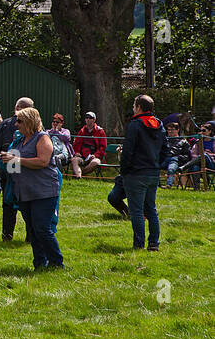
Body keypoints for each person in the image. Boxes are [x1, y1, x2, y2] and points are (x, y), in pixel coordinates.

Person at [0, 107, 64, 269]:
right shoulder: (19, 141)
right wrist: (5, 159)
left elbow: (42, 161)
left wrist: (17, 159)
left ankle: (56, 262)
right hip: (25, 193)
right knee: (33, 230)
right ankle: (40, 263)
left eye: (19, 121)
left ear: (29, 122)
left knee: (42, 228)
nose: (16, 124)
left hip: (44, 192)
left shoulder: (43, 138)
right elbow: (14, 167)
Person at [105, 95, 164, 251]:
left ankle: (138, 244)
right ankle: (153, 244)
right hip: (153, 173)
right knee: (151, 209)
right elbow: (165, 149)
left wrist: (124, 170)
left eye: (133, 105)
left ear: (139, 107)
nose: (132, 108)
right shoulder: (159, 124)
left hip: (136, 174)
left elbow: (128, 151)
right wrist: (158, 165)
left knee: (136, 210)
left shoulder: (135, 125)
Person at [0, 96, 34, 242]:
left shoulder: (6, 124)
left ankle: (7, 236)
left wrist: (0, 165)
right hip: (27, 171)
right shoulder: (37, 127)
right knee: (29, 204)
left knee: (9, 204)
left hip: (11, 170)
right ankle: (30, 236)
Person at [71, 112, 107, 178]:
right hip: (82, 156)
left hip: (94, 157)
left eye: (90, 118)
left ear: (94, 120)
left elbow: (103, 147)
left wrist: (95, 155)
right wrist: (77, 152)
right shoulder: (82, 131)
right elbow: (76, 144)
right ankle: (78, 176)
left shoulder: (100, 131)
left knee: (96, 163)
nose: (88, 119)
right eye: (86, 118)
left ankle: (81, 174)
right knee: (74, 160)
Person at [162, 121, 188, 188]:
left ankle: (168, 185)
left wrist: (178, 158)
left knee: (171, 169)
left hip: (175, 159)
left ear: (177, 130)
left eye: (172, 130)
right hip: (163, 158)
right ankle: (155, 185)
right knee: (153, 166)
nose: (170, 131)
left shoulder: (183, 141)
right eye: (168, 130)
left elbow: (187, 156)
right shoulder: (165, 141)